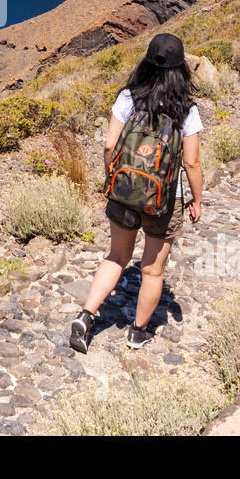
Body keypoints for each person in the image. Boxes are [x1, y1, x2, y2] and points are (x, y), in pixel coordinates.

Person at [70, 32, 204, 353]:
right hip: (164, 200)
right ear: (180, 70)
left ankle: (86, 316)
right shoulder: (186, 109)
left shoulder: (128, 98)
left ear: (146, 61)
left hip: (124, 189)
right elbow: (192, 162)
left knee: (117, 256)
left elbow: (109, 145)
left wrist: (113, 180)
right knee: (151, 269)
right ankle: (137, 332)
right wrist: (196, 200)